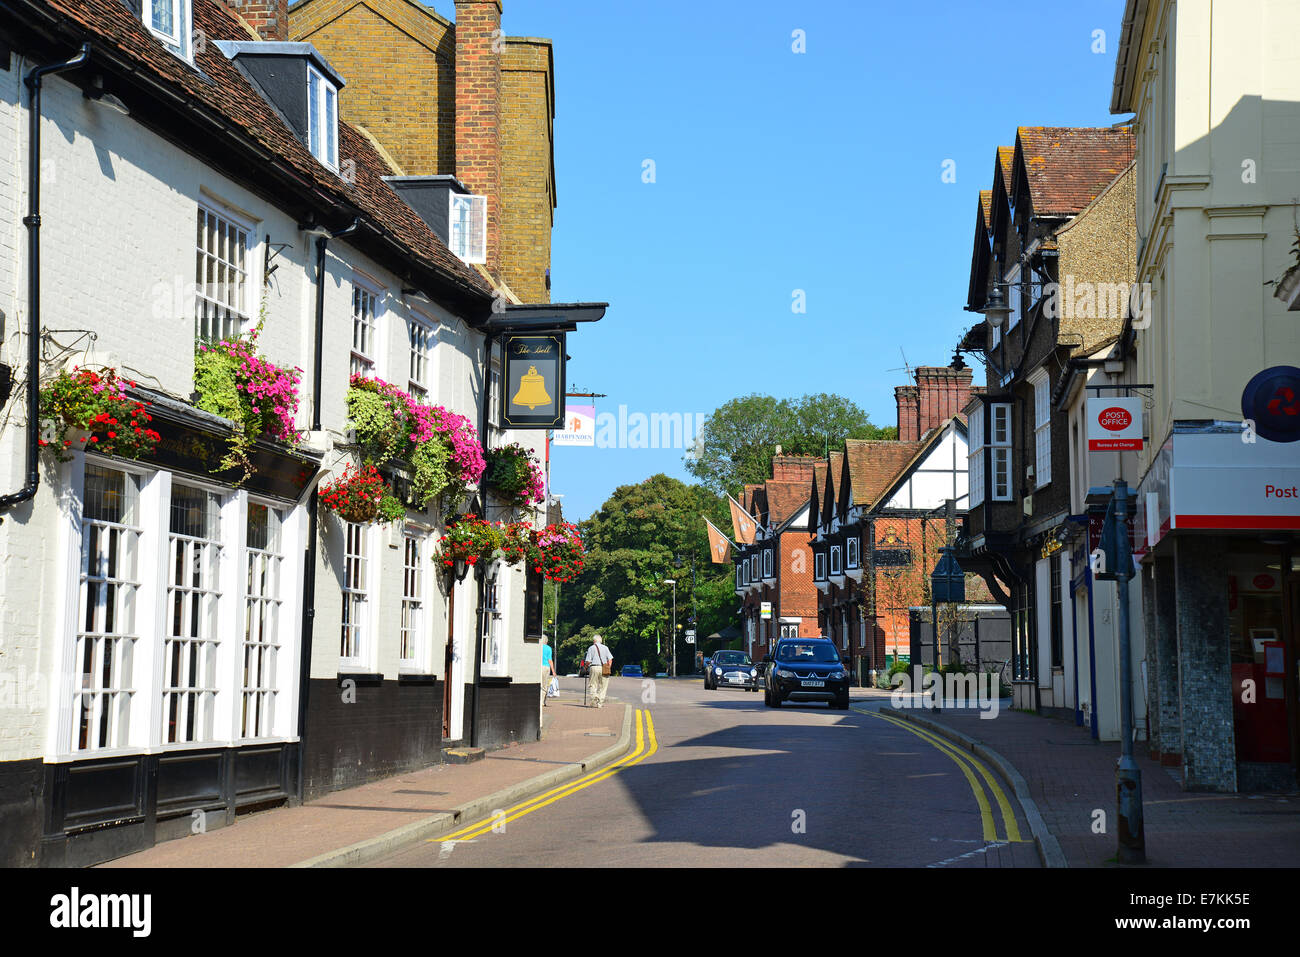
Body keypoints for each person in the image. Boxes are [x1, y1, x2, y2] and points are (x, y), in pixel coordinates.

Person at [585, 633, 613, 708]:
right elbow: (610, 659)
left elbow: (588, 661)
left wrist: (585, 666)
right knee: (603, 686)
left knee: (592, 684)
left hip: (594, 667)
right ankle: (600, 703)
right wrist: (608, 667)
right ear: (600, 640)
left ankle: (594, 697)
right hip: (603, 667)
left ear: (594, 641)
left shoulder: (591, 648)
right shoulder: (606, 648)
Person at [541, 635, 556, 708]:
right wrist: (553, 671)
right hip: (546, 667)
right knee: (545, 685)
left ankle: (539, 700)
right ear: (546, 641)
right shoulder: (549, 648)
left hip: (538, 667)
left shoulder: (538, 647)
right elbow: (550, 660)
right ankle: (542, 702)